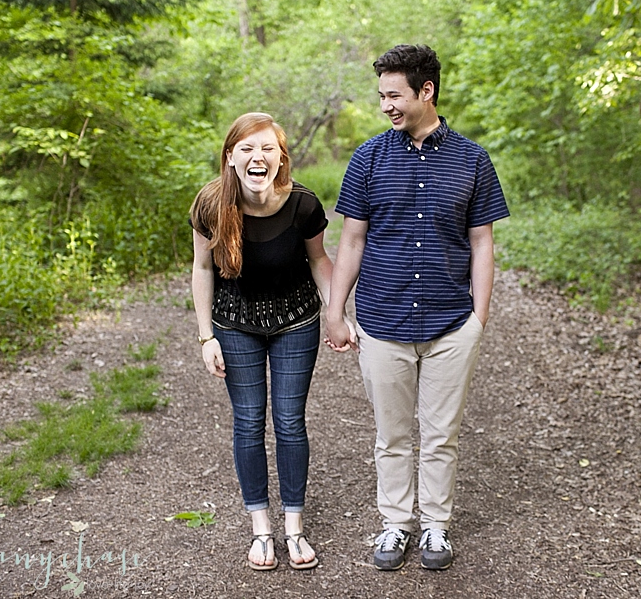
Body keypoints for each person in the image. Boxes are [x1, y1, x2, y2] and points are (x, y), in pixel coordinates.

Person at [325, 45, 509, 571]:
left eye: (393, 94)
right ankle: (394, 525)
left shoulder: (472, 159)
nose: (385, 104)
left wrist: (479, 318)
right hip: (382, 322)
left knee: (441, 432)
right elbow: (353, 239)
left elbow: (482, 243)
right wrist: (336, 310)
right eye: (381, 94)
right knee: (393, 434)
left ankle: (434, 527)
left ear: (425, 91)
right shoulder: (369, 157)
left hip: (452, 323)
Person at [190, 112, 334, 571]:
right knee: (249, 421)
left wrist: (337, 314)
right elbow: (202, 270)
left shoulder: (304, 205)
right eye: (248, 149)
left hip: (296, 321)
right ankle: (261, 531)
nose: (258, 157)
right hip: (234, 326)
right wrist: (205, 336)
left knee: (290, 420)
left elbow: (320, 262)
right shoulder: (210, 206)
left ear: (280, 157)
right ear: (231, 158)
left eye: (268, 148)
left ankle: (293, 529)